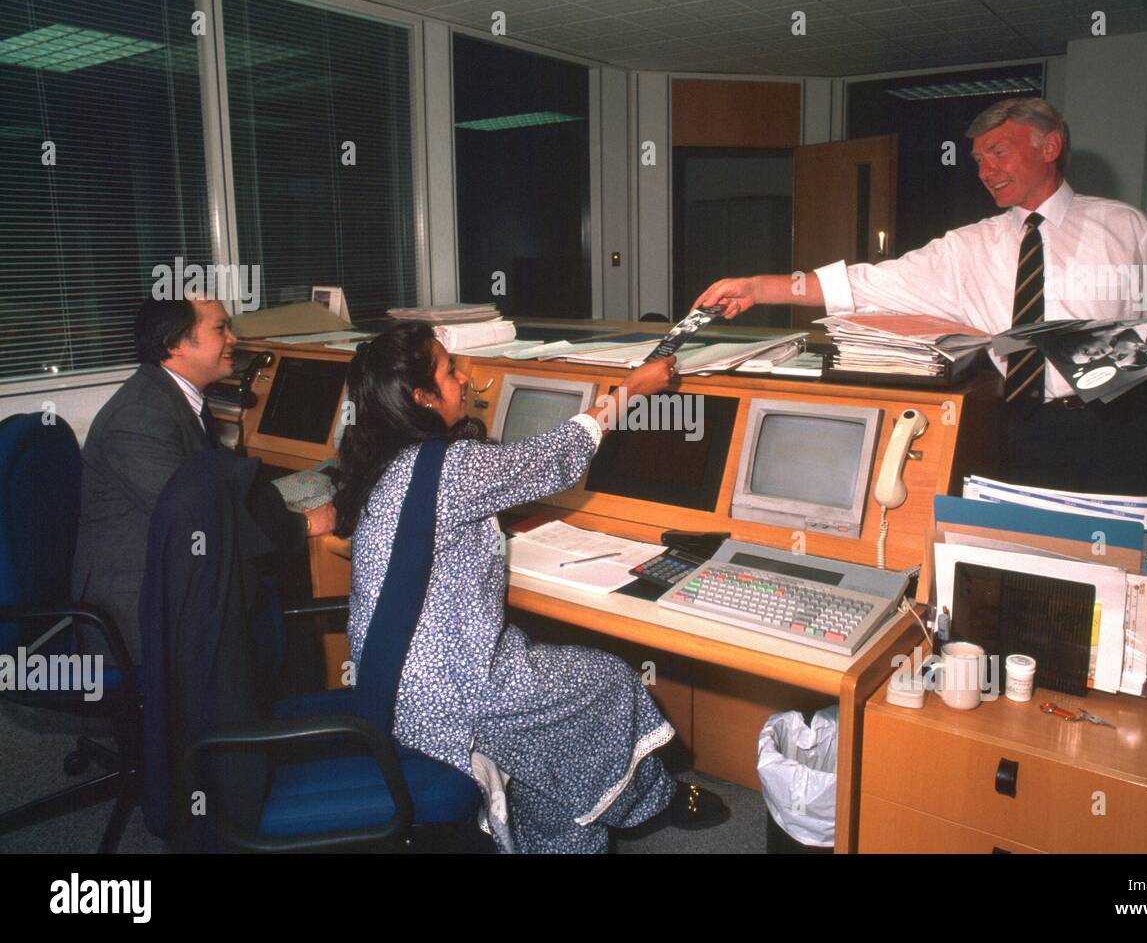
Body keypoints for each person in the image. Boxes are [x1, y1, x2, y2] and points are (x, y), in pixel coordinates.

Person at [332, 322, 726, 853]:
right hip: (453, 695)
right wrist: (631, 389)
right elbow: (555, 457)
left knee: (545, 733)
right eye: (450, 372)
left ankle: (563, 837)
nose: (466, 379)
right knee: (608, 680)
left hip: (391, 688)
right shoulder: (451, 467)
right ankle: (648, 804)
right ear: (422, 398)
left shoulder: (383, 462)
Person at [691, 98, 1147, 497]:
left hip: (1117, 428)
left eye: (998, 153)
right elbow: (868, 281)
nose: (985, 171)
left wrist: (1118, 361)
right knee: (1013, 567)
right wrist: (761, 288)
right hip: (1017, 427)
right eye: (979, 159)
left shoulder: (1124, 230)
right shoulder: (969, 247)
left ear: (1050, 147)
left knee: (1115, 572)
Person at [72, 296, 334, 660]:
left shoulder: (176, 398)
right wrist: (300, 524)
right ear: (175, 344)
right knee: (292, 598)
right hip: (137, 611)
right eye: (220, 329)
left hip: (178, 573)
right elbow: (199, 517)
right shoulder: (138, 418)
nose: (233, 339)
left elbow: (218, 489)